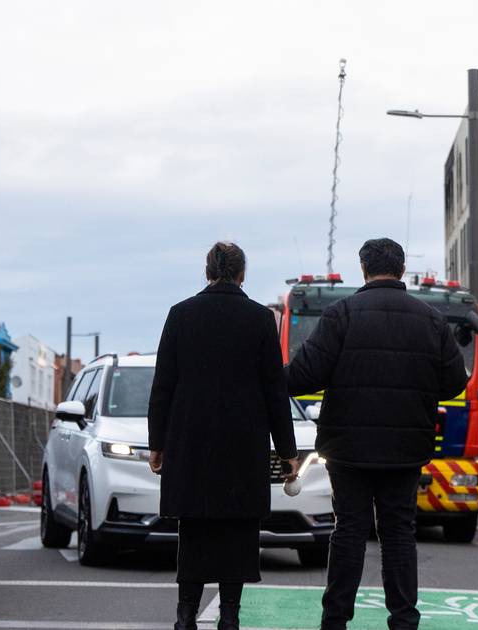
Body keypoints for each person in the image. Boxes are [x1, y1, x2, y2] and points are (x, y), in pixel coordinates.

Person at [286, 238, 468, 630]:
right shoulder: (432, 319)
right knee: (399, 533)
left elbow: (302, 377)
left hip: (347, 447)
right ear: (401, 270)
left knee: (348, 531)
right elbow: (455, 383)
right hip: (406, 447)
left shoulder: (341, 315)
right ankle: (404, 620)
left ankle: (335, 621)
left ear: (364, 270)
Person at [147, 242, 298, 630]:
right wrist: (287, 451)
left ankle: (185, 615)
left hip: (190, 441)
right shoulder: (260, 320)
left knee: (194, 529)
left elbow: (163, 385)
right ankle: (229, 615)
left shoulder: (180, 315)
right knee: (239, 531)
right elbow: (273, 391)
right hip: (243, 444)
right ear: (242, 273)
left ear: (208, 270)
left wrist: (157, 444)